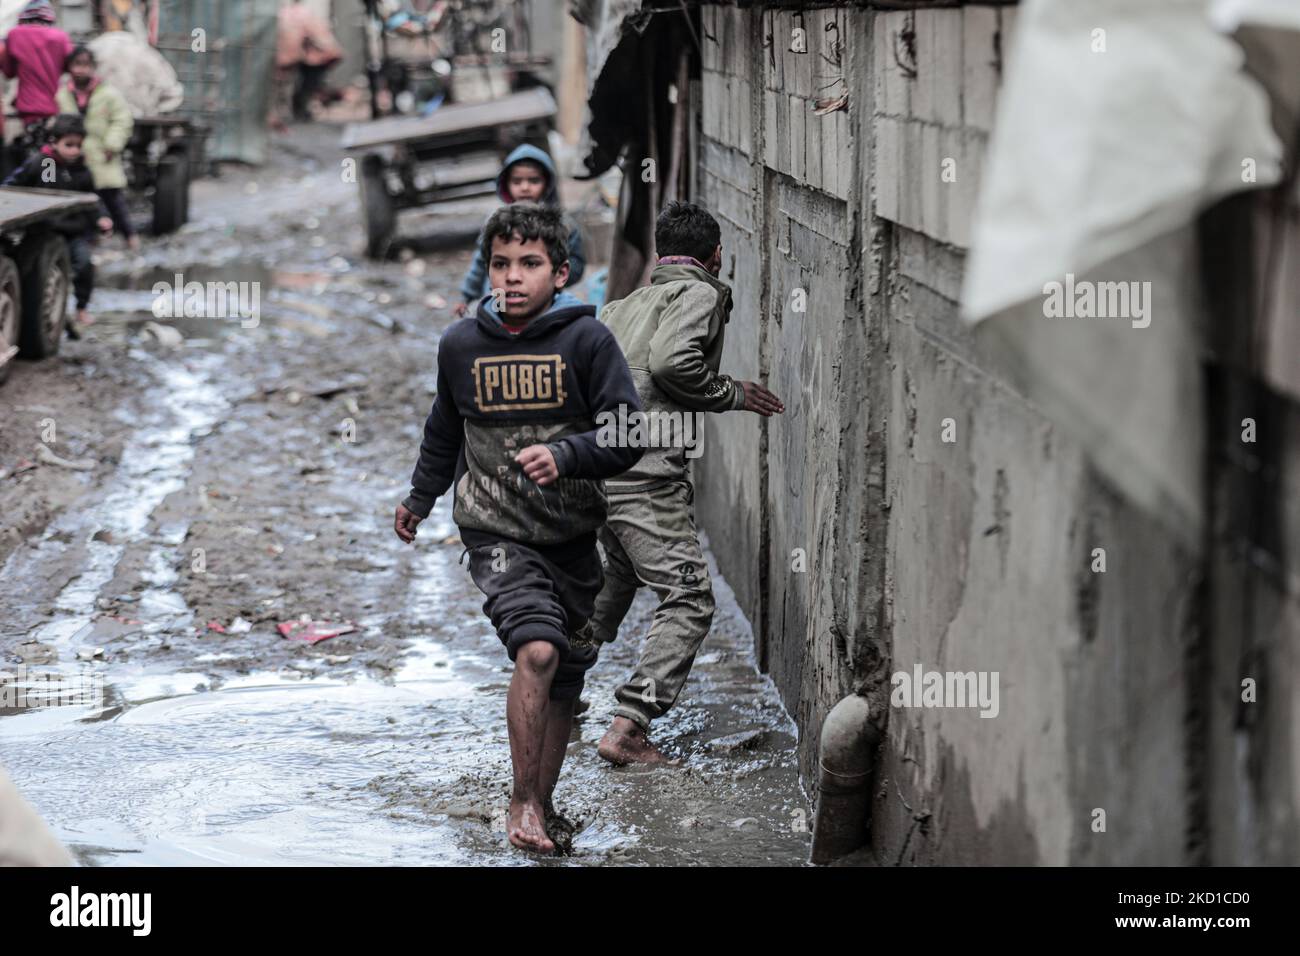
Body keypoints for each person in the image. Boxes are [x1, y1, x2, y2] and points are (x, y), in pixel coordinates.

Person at [394, 203, 643, 854]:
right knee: (537, 648)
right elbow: (444, 429)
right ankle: (522, 804)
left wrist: (567, 455)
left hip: (571, 535)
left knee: (565, 674)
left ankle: (544, 803)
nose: (512, 276)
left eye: (529, 264)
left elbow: (628, 434)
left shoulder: (588, 343)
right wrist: (420, 498)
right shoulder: (461, 346)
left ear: (561, 274)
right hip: (494, 531)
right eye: (501, 263)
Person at [588, 200, 785, 765]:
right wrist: (733, 393)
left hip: (602, 466)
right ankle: (629, 727)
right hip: (645, 473)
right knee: (691, 598)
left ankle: (560, 678)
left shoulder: (621, 307)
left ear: (659, 253)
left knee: (618, 575)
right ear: (716, 255)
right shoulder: (698, 294)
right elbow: (675, 363)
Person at [3, 114, 114, 331]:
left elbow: (92, 198)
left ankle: (81, 308)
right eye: (68, 145)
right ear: (54, 142)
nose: (74, 150)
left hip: (72, 232)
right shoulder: (45, 164)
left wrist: (101, 218)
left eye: (78, 146)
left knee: (84, 266)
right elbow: (17, 186)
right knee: (32, 271)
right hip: (43, 230)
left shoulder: (82, 170)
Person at [455, 145, 586, 317]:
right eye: (517, 181)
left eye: (534, 181)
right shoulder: (496, 222)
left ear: (547, 184)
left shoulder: (562, 224)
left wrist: (550, 277)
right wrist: (466, 296)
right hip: (499, 295)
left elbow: (576, 263)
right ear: (506, 184)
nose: (525, 187)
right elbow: (480, 261)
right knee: (499, 327)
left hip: (542, 295)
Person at [57, 46, 138, 251]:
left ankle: (131, 239)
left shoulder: (109, 94)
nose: (81, 70)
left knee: (113, 200)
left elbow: (122, 120)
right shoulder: (63, 95)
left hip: (102, 156)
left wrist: (112, 144)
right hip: (75, 159)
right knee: (83, 203)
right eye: (77, 65)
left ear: (93, 67)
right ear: (69, 67)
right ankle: (90, 242)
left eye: (86, 65)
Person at [0, 0, 73, 126]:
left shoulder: (15, 34)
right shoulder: (62, 37)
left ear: (23, 18)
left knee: (30, 143)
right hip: (56, 105)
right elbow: (70, 67)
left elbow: (9, 72)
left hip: (28, 107)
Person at [275, 0, 344, 123]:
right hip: (304, 57)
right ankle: (299, 108)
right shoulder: (303, 13)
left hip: (290, 57)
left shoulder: (284, 13)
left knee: (289, 85)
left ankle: (294, 109)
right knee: (306, 84)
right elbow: (318, 36)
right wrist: (331, 50)